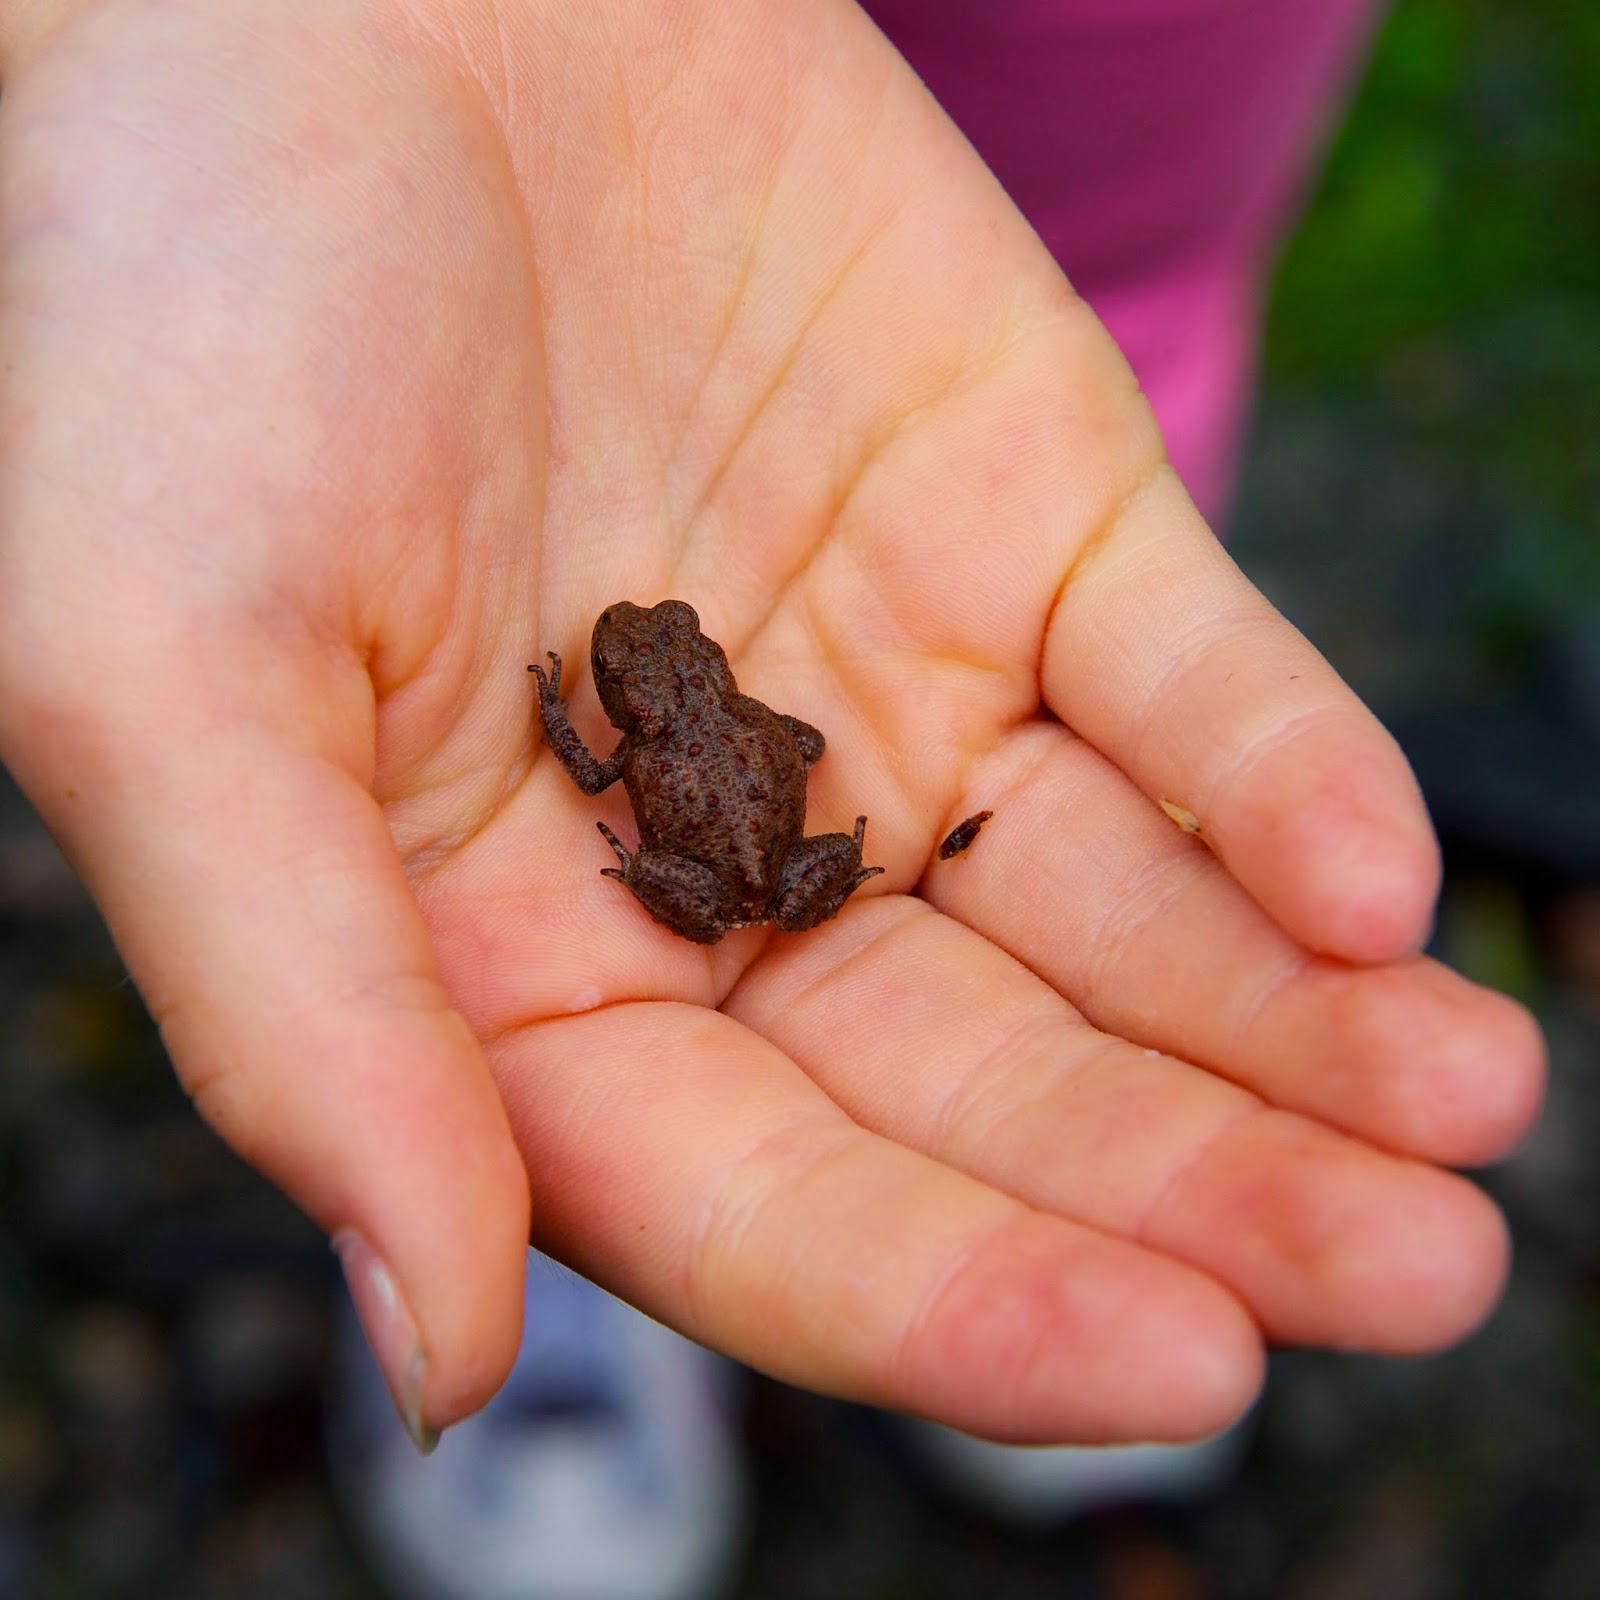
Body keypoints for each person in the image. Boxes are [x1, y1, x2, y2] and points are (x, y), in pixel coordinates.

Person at [0, 0, 1545, 1488]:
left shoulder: (639, 746)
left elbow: (594, 771)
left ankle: (1026, 1279)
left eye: (641, 656)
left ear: (671, 679)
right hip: (776, 855)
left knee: (1115, 227)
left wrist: (589, 765)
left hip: (729, 855)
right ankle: (617, 1245)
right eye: (629, 662)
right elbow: (776, 740)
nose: (627, 661)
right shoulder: (721, 716)